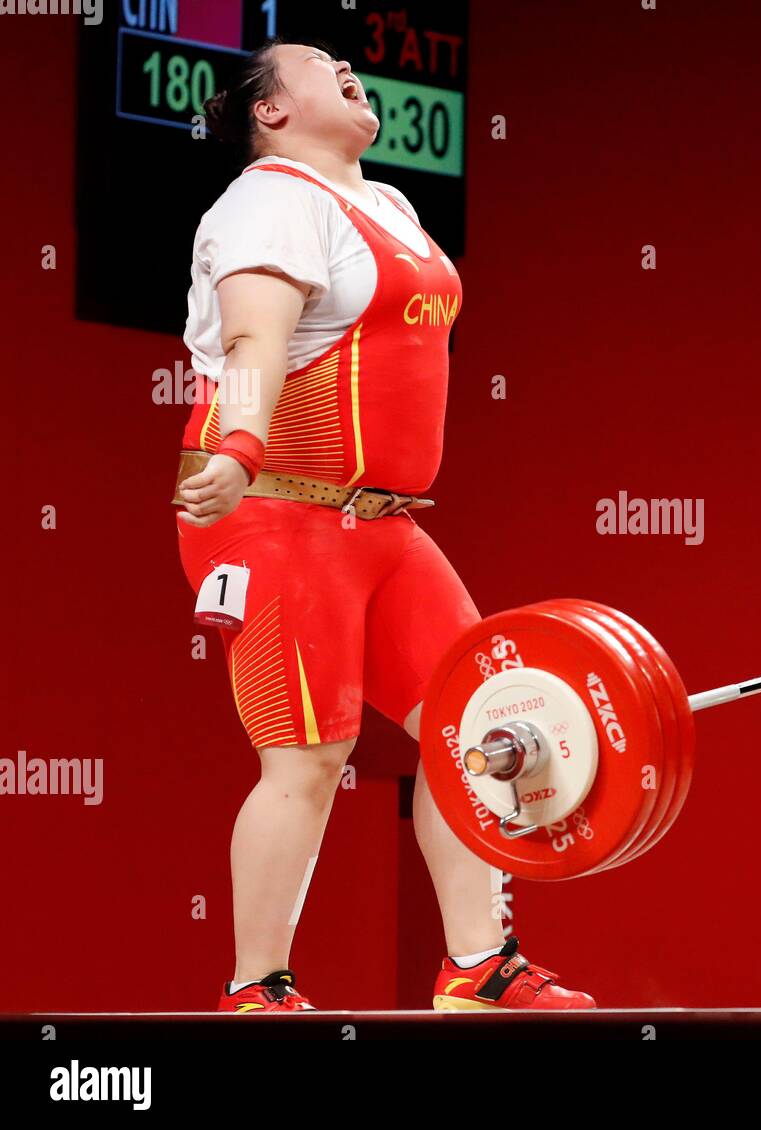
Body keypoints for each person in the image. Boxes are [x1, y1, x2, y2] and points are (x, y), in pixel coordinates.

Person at [172, 38, 593, 1012]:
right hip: (271, 504)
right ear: (270, 112)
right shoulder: (268, 199)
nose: (347, 66)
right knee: (309, 752)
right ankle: (256, 987)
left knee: (480, 723)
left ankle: (478, 963)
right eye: (316, 63)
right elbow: (251, 336)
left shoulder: (390, 206)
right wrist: (237, 441)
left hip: (384, 523)